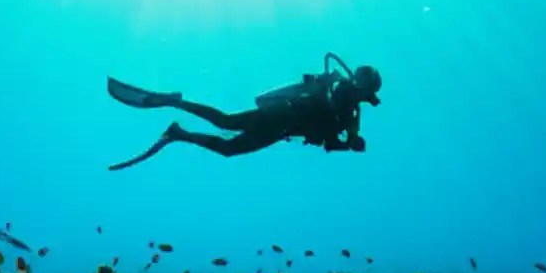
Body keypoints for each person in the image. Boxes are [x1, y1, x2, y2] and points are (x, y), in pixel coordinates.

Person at [106, 53, 381, 171]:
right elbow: (334, 126)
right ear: (363, 86)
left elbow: (331, 142)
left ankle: (178, 118)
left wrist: (349, 144)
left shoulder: (349, 109)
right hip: (280, 118)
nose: (365, 97)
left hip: (281, 124)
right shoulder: (344, 96)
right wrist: (351, 140)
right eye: (367, 91)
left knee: (227, 128)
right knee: (227, 135)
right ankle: (177, 120)